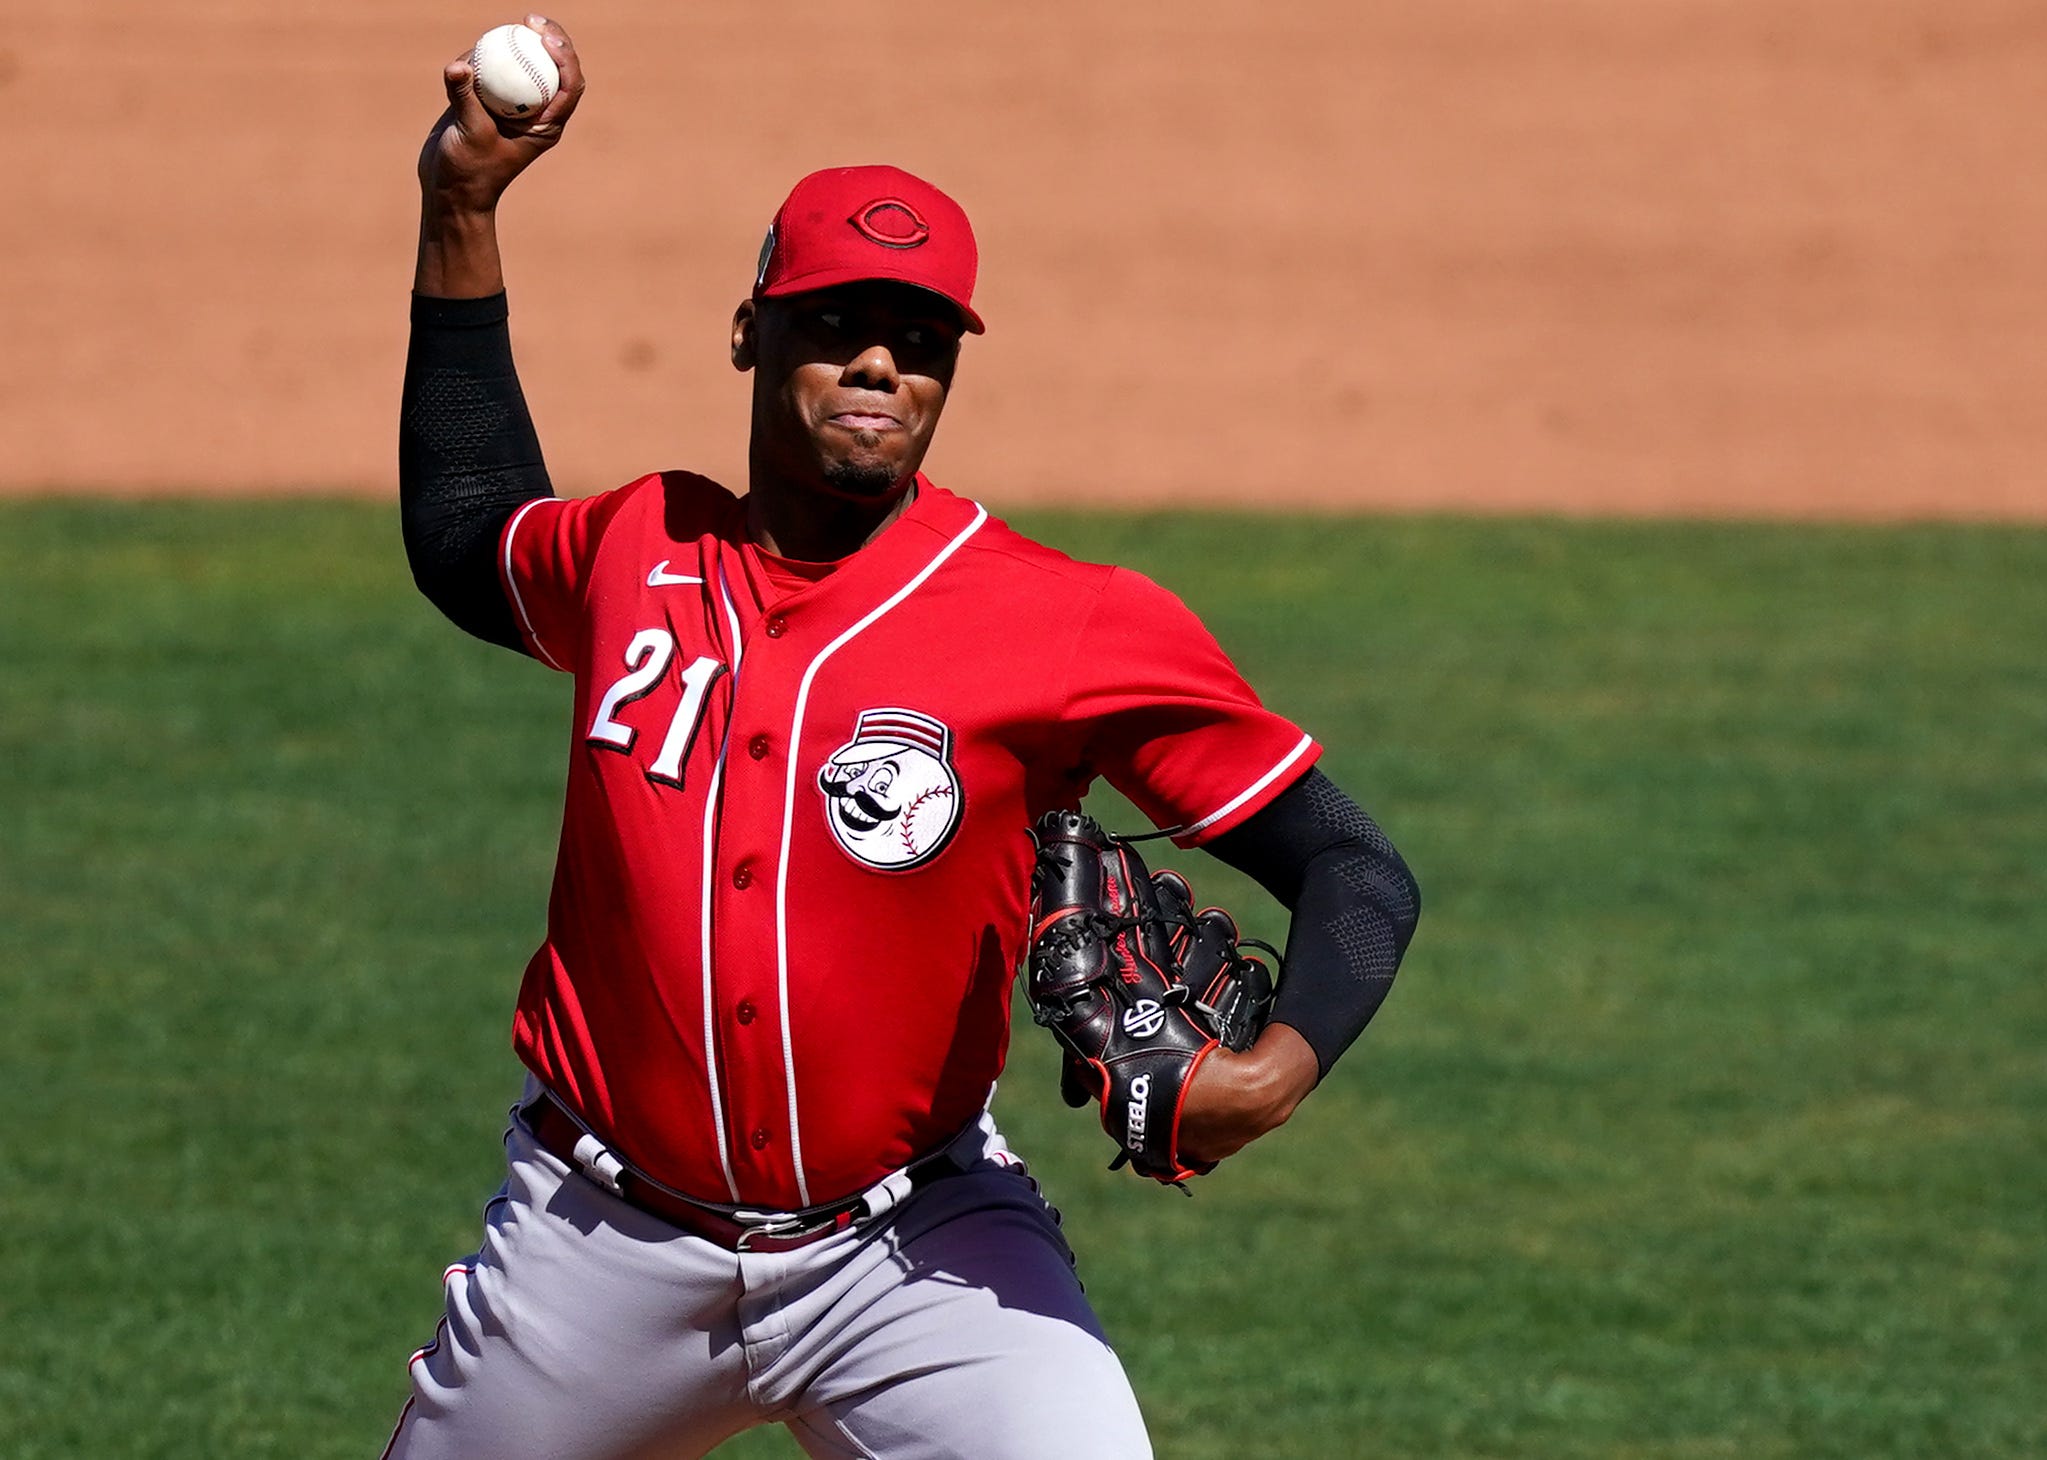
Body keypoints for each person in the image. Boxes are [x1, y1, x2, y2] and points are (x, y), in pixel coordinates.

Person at [386, 17, 1420, 1459]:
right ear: (753, 331)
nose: (879, 363)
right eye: (835, 324)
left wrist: (1277, 1070)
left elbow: (1351, 867)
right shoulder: (640, 547)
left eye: (919, 339)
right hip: (591, 1245)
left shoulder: (1067, 622)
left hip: (912, 1256)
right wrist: (461, 208)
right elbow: (459, 538)